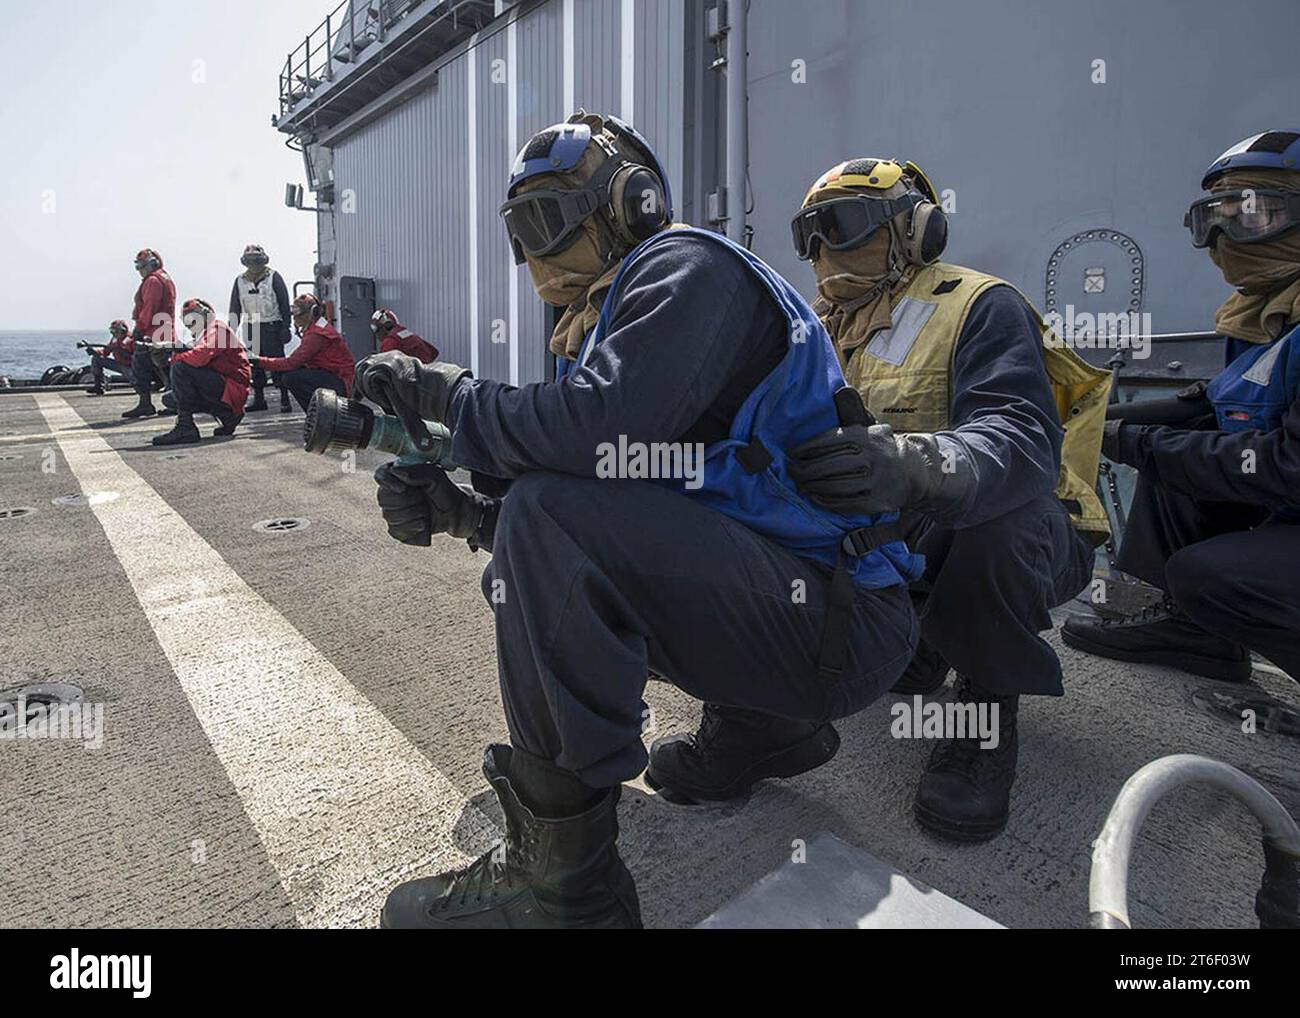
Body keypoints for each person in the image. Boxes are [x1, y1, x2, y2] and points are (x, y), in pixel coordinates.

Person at [353, 111, 923, 929]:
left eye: (548, 221)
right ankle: (766, 728)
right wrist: (467, 513)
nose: (534, 256)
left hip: (846, 624)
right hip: (810, 610)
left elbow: (597, 433)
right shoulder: (608, 320)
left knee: (549, 516)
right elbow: (628, 516)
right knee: (527, 544)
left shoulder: (684, 267)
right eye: (520, 234)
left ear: (634, 203)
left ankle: (566, 891)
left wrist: (454, 396)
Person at [649, 158, 1109, 842]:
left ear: (916, 229)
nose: (824, 249)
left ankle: (982, 713)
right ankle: (780, 710)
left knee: (997, 521)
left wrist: (916, 464)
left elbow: (1021, 439)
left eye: (842, 226)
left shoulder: (978, 304)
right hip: (897, 538)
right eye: (809, 234)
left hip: (1020, 528)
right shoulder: (813, 330)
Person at [1063, 130, 1300, 684]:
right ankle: (1190, 632)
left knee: (1209, 575)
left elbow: (1288, 466)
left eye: (1254, 214)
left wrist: (1133, 444)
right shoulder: (1270, 311)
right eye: (1213, 217)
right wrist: (1092, 414)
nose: (1225, 235)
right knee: (1175, 468)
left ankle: (1199, 606)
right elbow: (1213, 408)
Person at [151, 299, 250, 447]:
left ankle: (186, 427)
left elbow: (200, 357)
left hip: (232, 388)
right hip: (228, 389)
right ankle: (227, 415)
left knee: (180, 367)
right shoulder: (204, 334)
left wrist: (174, 358)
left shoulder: (217, 328)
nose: (190, 322)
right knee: (170, 399)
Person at [250, 293, 354, 410]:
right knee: (296, 372)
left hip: (341, 383)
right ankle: (318, 410)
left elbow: (291, 363)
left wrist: (259, 361)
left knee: (290, 378)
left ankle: (320, 412)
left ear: (313, 312)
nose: (295, 317)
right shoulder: (318, 327)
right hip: (338, 377)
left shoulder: (316, 335)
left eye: (299, 312)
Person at [228, 244, 292, 413]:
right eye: (250, 261)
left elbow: (284, 303)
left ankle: (284, 398)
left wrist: (286, 326)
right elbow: (235, 306)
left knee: (277, 363)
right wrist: (231, 330)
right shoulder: (240, 281)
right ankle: (259, 399)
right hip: (251, 326)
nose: (253, 264)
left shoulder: (273, 277)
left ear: (263, 260)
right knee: (254, 364)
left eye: (256, 260)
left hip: (272, 325)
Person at [122, 248, 177, 419]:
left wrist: (139, 327)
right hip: (164, 331)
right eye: (137, 266)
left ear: (151, 264)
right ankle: (174, 400)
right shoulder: (165, 278)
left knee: (141, 366)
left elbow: (149, 308)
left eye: (142, 265)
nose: (140, 269)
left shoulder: (152, 281)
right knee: (164, 367)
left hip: (152, 333)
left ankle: (146, 403)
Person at [83, 320, 134, 395]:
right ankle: (98, 386)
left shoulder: (131, 339)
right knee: (96, 359)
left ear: (123, 330)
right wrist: (95, 352)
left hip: (132, 367)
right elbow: (106, 351)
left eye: (116, 331)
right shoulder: (114, 339)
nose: (113, 333)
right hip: (119, 365)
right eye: (112, 331)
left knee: (137, 382)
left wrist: (124, 353)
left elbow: (138, 356)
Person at [370, 308, 439, 363]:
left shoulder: (390, 342)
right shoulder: (406, 333)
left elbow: (384, 369)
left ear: (386, 326)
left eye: (376, 330)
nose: (376, 335)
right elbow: (433, 352)